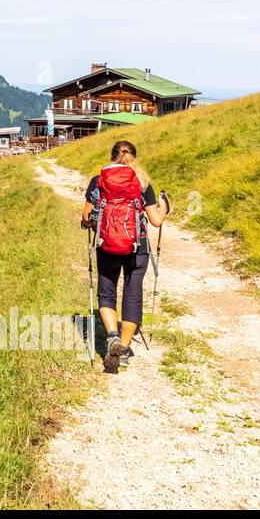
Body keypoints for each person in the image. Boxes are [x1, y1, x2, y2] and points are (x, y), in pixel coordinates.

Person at [81, 139, 169, 373]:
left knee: (107, 290)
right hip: (137, 247)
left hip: (107, 245)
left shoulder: (98, 181)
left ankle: (111, 337)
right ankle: (125, 349)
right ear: (135, 157)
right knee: (133, 294)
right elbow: (156, 220)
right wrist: (164, 207)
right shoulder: (142, 182)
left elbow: (87, 217)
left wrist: (90, 224)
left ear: (112, 157)